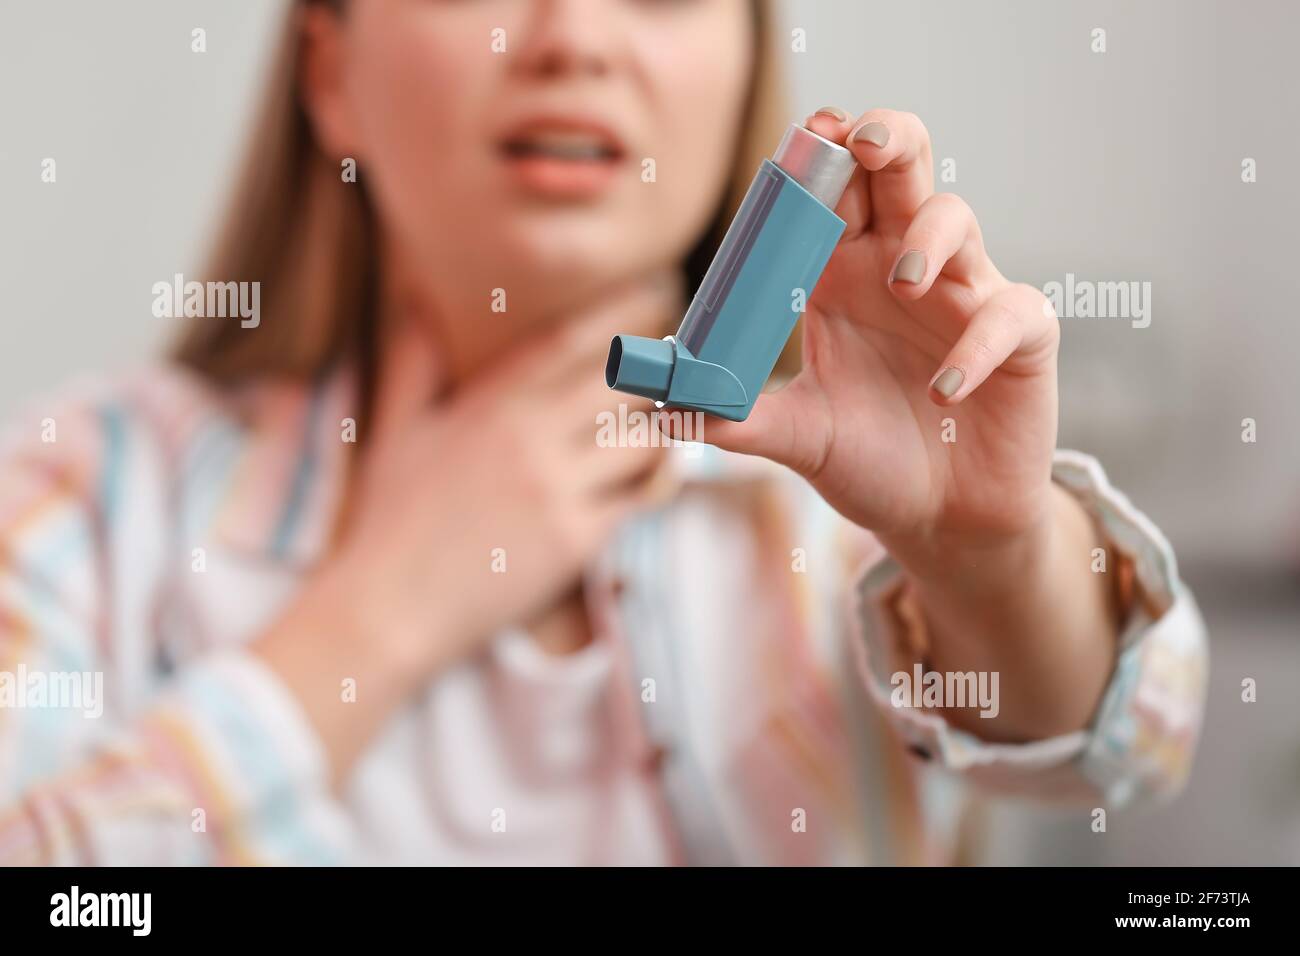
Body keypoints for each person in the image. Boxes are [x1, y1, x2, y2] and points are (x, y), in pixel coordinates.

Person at [0, 0, 1206, 865]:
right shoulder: (92, 485)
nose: (573, 33)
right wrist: (383, 609)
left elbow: (1136, 746)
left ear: (744, 64)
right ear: (331, 75)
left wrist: (984, 549)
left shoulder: (832, 515)